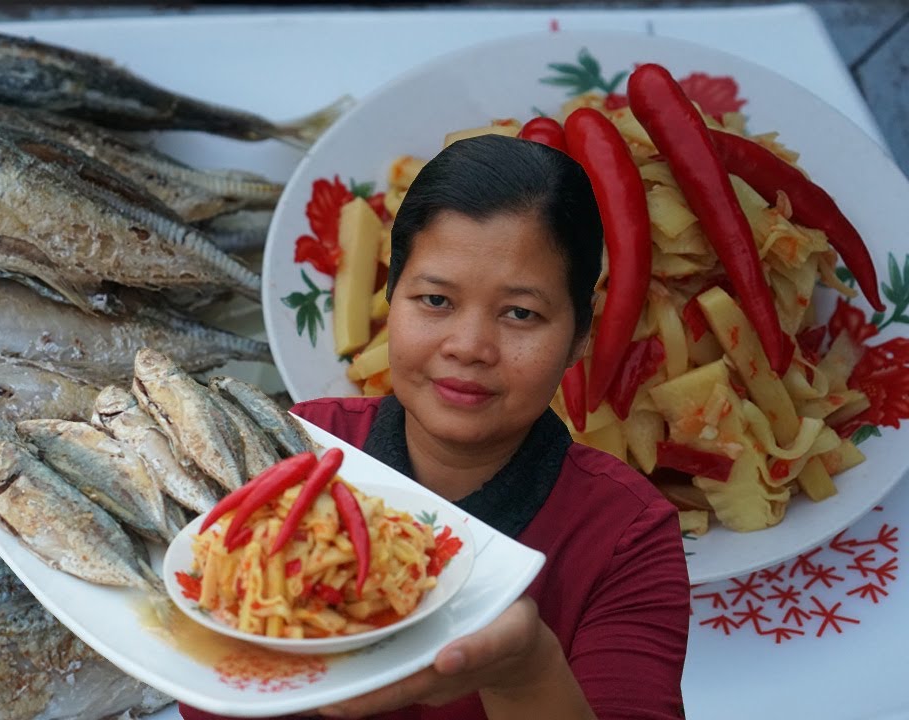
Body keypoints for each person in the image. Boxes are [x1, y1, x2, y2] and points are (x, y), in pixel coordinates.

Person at [179, 134, 690, 720]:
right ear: (391, 297)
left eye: (520, 313)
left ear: (579, 336)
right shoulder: (298, 447)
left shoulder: (627, 535)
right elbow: (207, 675)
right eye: (435, 300)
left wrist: (527, 673)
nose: (469, 347)